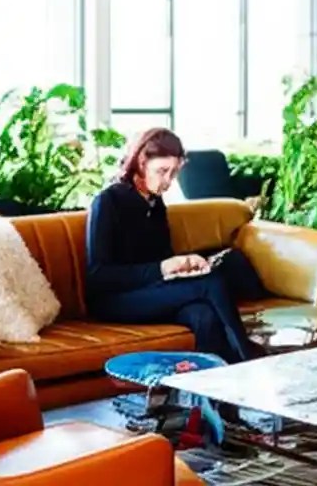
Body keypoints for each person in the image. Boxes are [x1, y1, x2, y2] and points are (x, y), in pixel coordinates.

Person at [85, 128, 266, 364]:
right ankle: (248, 359)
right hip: (113, 300)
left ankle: (212, 392)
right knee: (210, 284)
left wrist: (184, 266)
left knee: (204, 315)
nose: (168, 182)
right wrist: (163, 268)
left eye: (173, 173)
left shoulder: (155, 202)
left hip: (149, 291)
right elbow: (98, 276)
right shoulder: (108, 202)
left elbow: (161, 256)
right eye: (162, 172)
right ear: (141, 163)